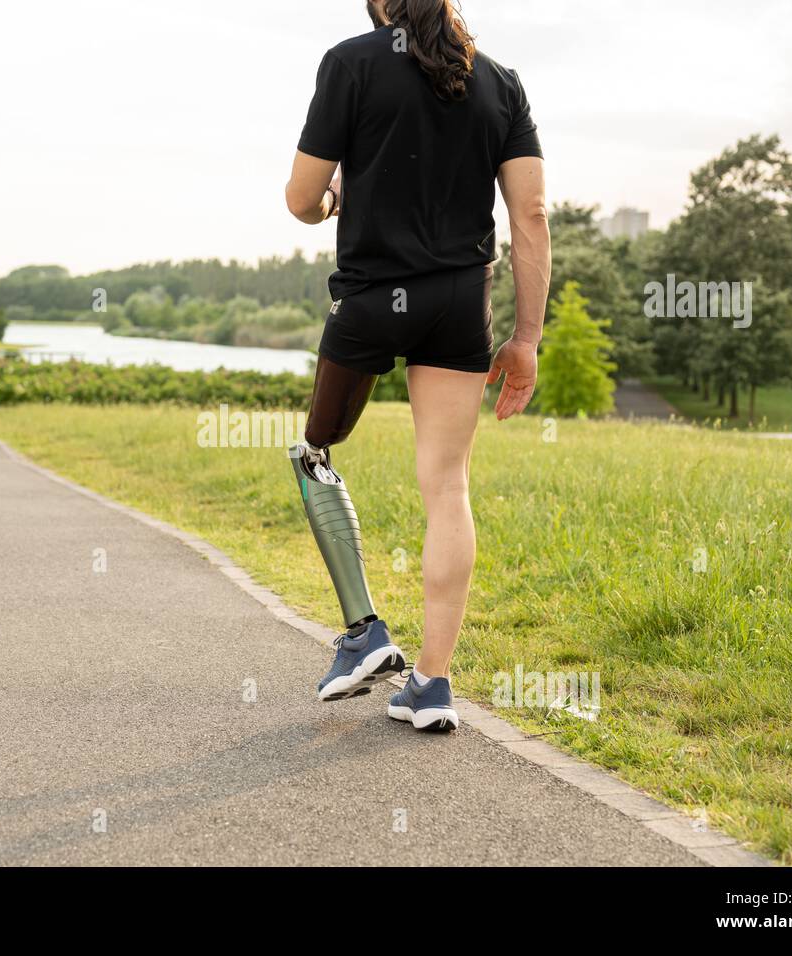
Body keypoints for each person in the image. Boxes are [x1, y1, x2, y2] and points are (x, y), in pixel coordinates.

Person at [284, 0, 550, 731]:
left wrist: (335, 198)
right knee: (447, 485)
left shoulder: (352, 62)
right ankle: (432, 685)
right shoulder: (501, 82)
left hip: (371, 299)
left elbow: (302, 199)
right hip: (461, 302)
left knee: (313, 452)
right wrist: (526, 338)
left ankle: (365, 632)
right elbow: (530, 216)